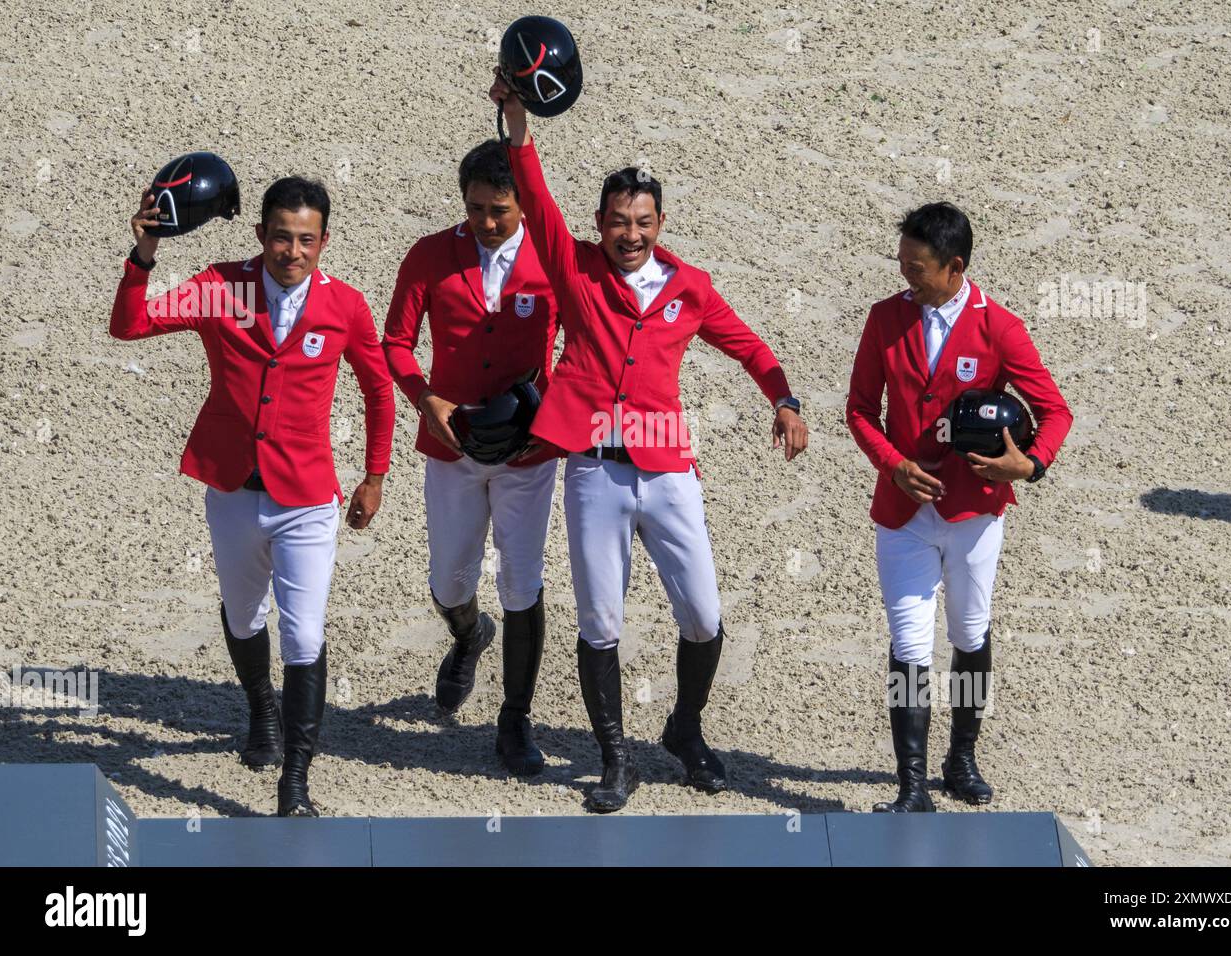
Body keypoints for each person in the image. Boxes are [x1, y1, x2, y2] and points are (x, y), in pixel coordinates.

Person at [490, 72, 810, 812]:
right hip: (595, 474)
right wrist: (516, 120)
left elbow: (751, 348)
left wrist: (785, 401)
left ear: (659, 223)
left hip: (668, 470)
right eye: (616, 223)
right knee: (601, 620)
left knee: (701, 613)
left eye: (642, 223)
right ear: (598, 223)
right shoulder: (574, 270)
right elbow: (533, 196)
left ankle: (685, 729)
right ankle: (612, 759)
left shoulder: (689, 286)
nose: (629, 236)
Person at [110, 177, 395, 816]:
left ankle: (294, 782)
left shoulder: (346, 306)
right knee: (243, 618)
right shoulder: (222, 284)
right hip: (233, 489)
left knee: (305, 635)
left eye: (306, 240)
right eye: (282, 237)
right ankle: (261, 709)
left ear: (324, 242)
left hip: (306, 498)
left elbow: (379, 392)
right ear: (260, 233)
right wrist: (144, 255)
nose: (293, 252)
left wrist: (374, 475)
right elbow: (129, 326)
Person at [846, 201, 1073, 812]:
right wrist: (893, 464)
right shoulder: (884, 319)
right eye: (902, 264)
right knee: (909, 644)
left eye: (917, 267)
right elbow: (861, 411)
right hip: (902, 510)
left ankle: (961, 757)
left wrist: (1029, 464)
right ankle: (912, 784)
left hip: (975, 511)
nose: (906, 278)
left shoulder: (999, 327)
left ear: (955, 266)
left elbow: (1055, 411)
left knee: (969, 632)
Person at [382, 140, 560, 775]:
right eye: (476, 208)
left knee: (522, 580)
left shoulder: (550, 257)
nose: (486, 222)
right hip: (450, 446)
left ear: (522, 205)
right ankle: (467, 636)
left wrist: (555, 410)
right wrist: (425, 399)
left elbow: (587, 340)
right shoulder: (431, 254)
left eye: (500, 210)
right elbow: (395, 342)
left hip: (527, 452)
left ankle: (515, 720)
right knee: (449, 579)